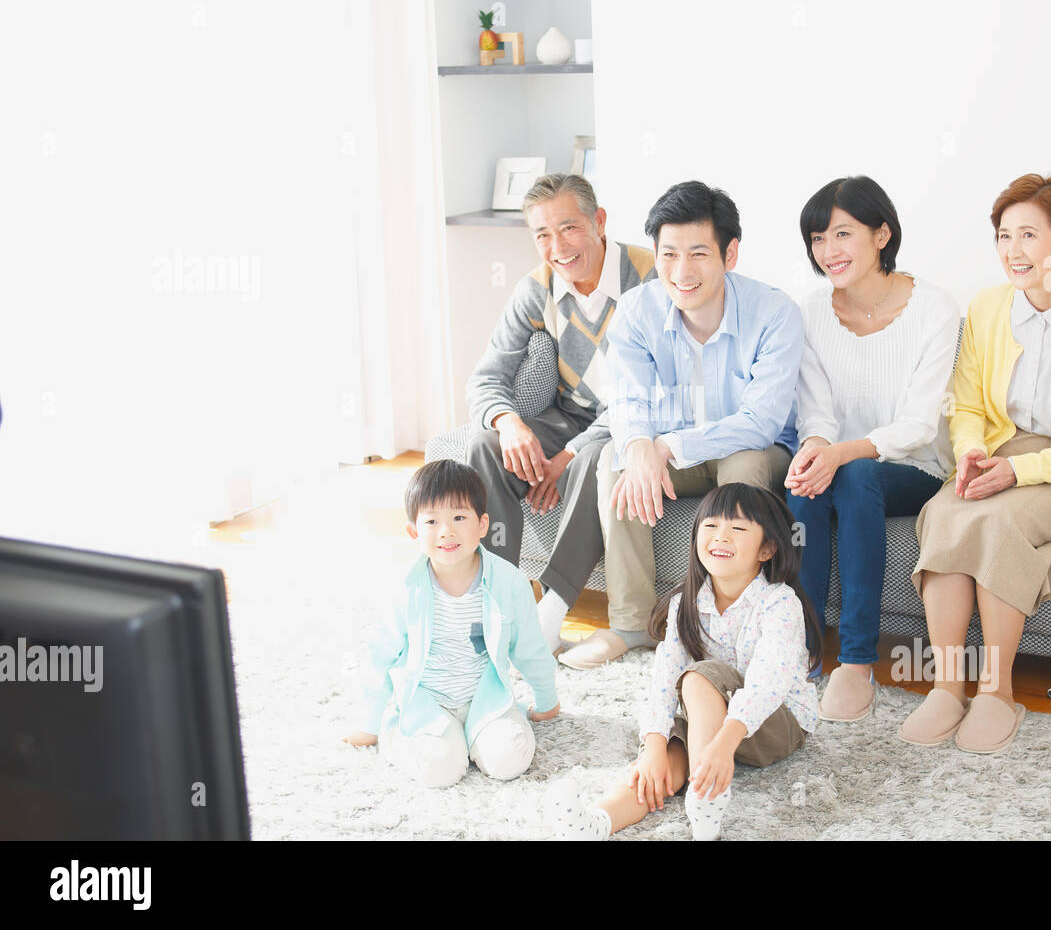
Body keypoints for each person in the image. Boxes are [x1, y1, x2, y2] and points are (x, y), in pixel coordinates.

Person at [903, 173, 1051, 753]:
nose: (1012, 250)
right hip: (1002, 449)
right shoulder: (986, 308)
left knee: (1000, 520)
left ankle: (997, 691)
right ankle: (948, 686)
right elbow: (967, 403)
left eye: (1028, 235)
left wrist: (1021, 473)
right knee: (945, 513)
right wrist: (973, 453)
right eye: (1004, 236)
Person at [557, 180, 803, 670]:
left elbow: (760, 422)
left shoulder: (775, 312)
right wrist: (640, 448)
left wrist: (664, 446)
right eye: (668, 255)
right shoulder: (636, 309)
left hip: (753, 449)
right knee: (615, 458)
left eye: (698, 254)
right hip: (674, 454)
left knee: (746, 466)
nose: (681, 272)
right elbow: (627, 401)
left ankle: (736, 623)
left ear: (730, 254)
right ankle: (631, 624)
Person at [545, 483, 820, 840]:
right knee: (660, 764)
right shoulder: (685, 602)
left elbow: (767, 685)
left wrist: (723, 746)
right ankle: (598, 822)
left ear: (767, 549)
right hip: (711, 723)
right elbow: (662, 679)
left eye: (737, 528)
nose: (721, 536)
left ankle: (706, 801)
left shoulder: (780, 604)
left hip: (774, 723)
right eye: (710, 526)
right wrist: (654, 747)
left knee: (698, 677)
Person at [784, 176, 960, 721]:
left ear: (882, 233)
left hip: (915, 467)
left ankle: (857, 660)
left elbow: (920, 425)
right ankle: (802, 650)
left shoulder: (934, 308)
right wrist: (817, 449)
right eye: (818, 238)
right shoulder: (811, 311)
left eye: (842, 234)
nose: (828, 251)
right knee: (805, 478)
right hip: (840, 465)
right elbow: (816, 411)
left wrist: (840, 454)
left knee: (855, 474)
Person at [465, 174, 657, 652]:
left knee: (602, 456)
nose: (558, 246)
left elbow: (653, 390)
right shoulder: (536, 288)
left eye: (569, 228)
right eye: (542, 235)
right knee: (484, 445)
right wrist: (508, 424)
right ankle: (496, 602)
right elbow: (486, 376)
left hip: (637, 421)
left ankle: (549, 613)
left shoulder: (652, 274)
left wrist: (571, 453)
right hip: (569, 413)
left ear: (599, 221)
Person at [342, 460, 560, 787]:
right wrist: (368, 723)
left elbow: (530, 647)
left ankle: (472, 737)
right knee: (439, 771)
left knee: (509, 761)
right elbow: (380, 656)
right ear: (414, 531)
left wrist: (546, 700)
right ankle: (398, 732)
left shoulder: (510, 582)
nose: (446, 531)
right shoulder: (404, 588)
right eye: (432, 521)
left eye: (459, 517)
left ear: (482, 524)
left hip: (486, 697)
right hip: (427, 700)